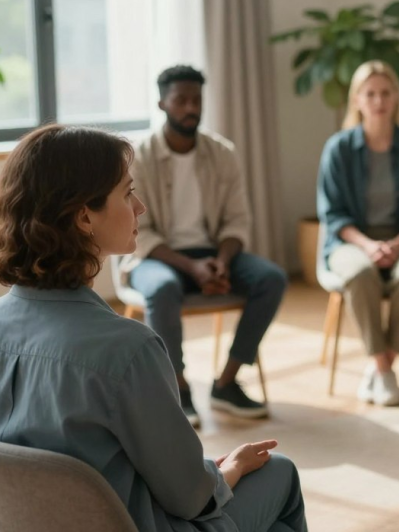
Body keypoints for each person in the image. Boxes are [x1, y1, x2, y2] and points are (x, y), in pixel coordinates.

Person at [0, 124, 306, 532]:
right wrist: (229, 470)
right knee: (278, 472)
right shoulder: (129, 349)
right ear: (85, 216)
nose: (139, 206)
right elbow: (193, 498)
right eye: (127, 193)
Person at [120, 65, 287, 425]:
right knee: (163, 289)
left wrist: (222, 261)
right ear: (162, 103)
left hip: (213, 253)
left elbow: (237, 220)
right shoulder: (140, 156)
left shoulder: (222, 153)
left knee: (271, 278)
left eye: (196, 100)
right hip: (155, 257)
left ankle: (226, 383)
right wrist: (192, 267)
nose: (190, 108)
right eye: (181, 100)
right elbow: (139, 231)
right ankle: (177, 389)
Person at [317, 60, 399, 407]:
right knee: (359, 272)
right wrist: (370, 246)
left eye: (386, 92)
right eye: (370, 94)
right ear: (357, 100)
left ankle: (381, 364)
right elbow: (333, 214)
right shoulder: (338, 149)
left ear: (396, 98)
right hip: (351, 240)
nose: (378, 100)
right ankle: (383, 368)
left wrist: (397, 245)